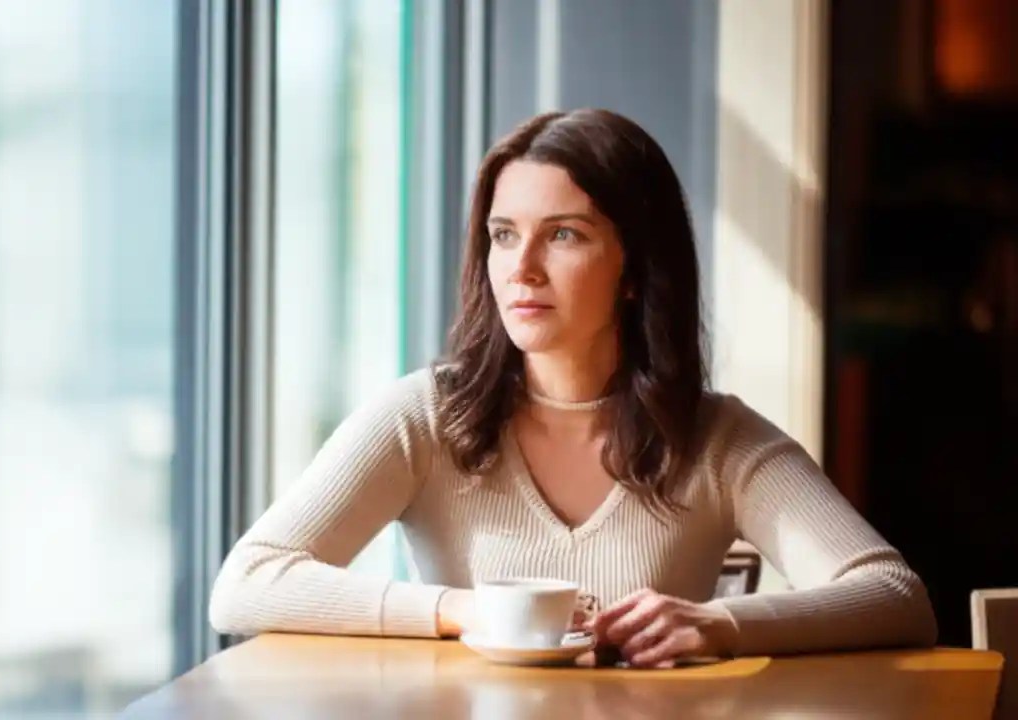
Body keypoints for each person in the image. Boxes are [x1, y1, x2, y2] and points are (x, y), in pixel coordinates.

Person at [208, 109, 937, 667]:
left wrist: (719, 623)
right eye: (502, 234)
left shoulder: (717, 438)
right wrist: (462, 611)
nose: (520, 268)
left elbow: (896, 598)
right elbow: (247, 583)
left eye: (563, 235)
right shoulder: (427, 416)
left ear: (635, 269)